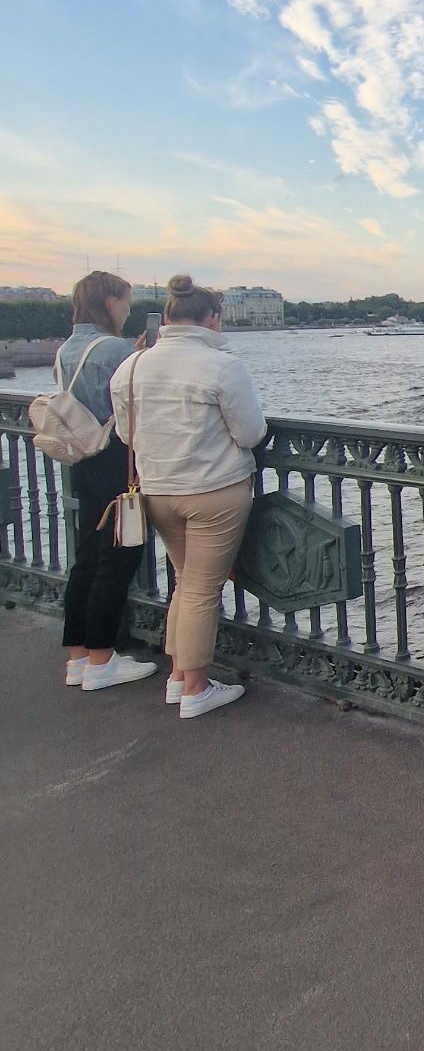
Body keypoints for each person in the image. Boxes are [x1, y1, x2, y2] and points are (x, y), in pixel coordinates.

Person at [111, 274, 267, 720]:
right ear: (213, 318)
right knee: (202, 588)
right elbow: (250, 432)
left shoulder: (133, 366)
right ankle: (196, 687)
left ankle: (179, 677)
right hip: (214, 492)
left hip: (158, 490)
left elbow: (127, 433)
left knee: (185, 581)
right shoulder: (221, 366)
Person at [56, 271, 153, 692]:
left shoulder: (66, 349)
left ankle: (77, 655)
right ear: (111, 303)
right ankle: (102, 659)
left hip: (83, 459)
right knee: (119, 556)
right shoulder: (115, 348)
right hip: (116, 458)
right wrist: (141, 358)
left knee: (88, 556)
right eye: (126, 302)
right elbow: (135, 400)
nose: (129, 309)